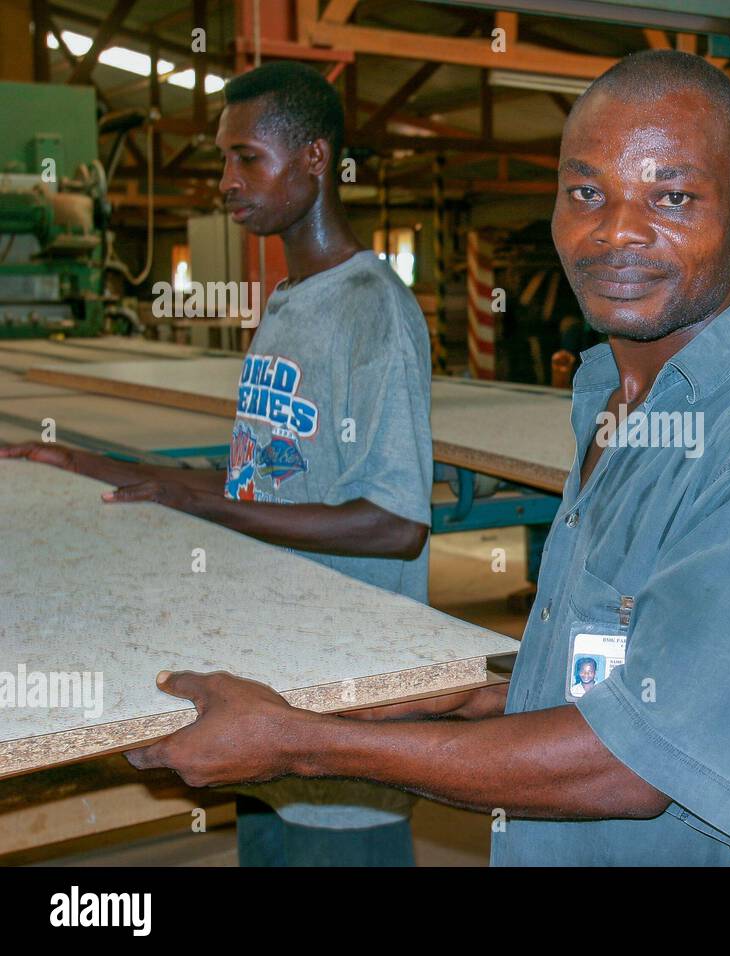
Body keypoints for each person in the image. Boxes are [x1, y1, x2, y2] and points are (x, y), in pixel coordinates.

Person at [124, 50, 730, 866]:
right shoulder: (611, 398)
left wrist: (301, 744)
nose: (617, 231)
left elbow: (632, 765)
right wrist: (502, 698)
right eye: (587, 193)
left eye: (671, 197)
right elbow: (637, 666)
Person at [3, 60, 434, 867]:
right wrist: (76, 461)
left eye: (247, 159)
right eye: (222, 161)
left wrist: (198, 507)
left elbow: (395, 524)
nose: (226, 182)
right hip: (274, 690)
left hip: (348, 705)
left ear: (313, 157)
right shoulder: (285, 304)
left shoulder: (372, 310)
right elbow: (257, 486)